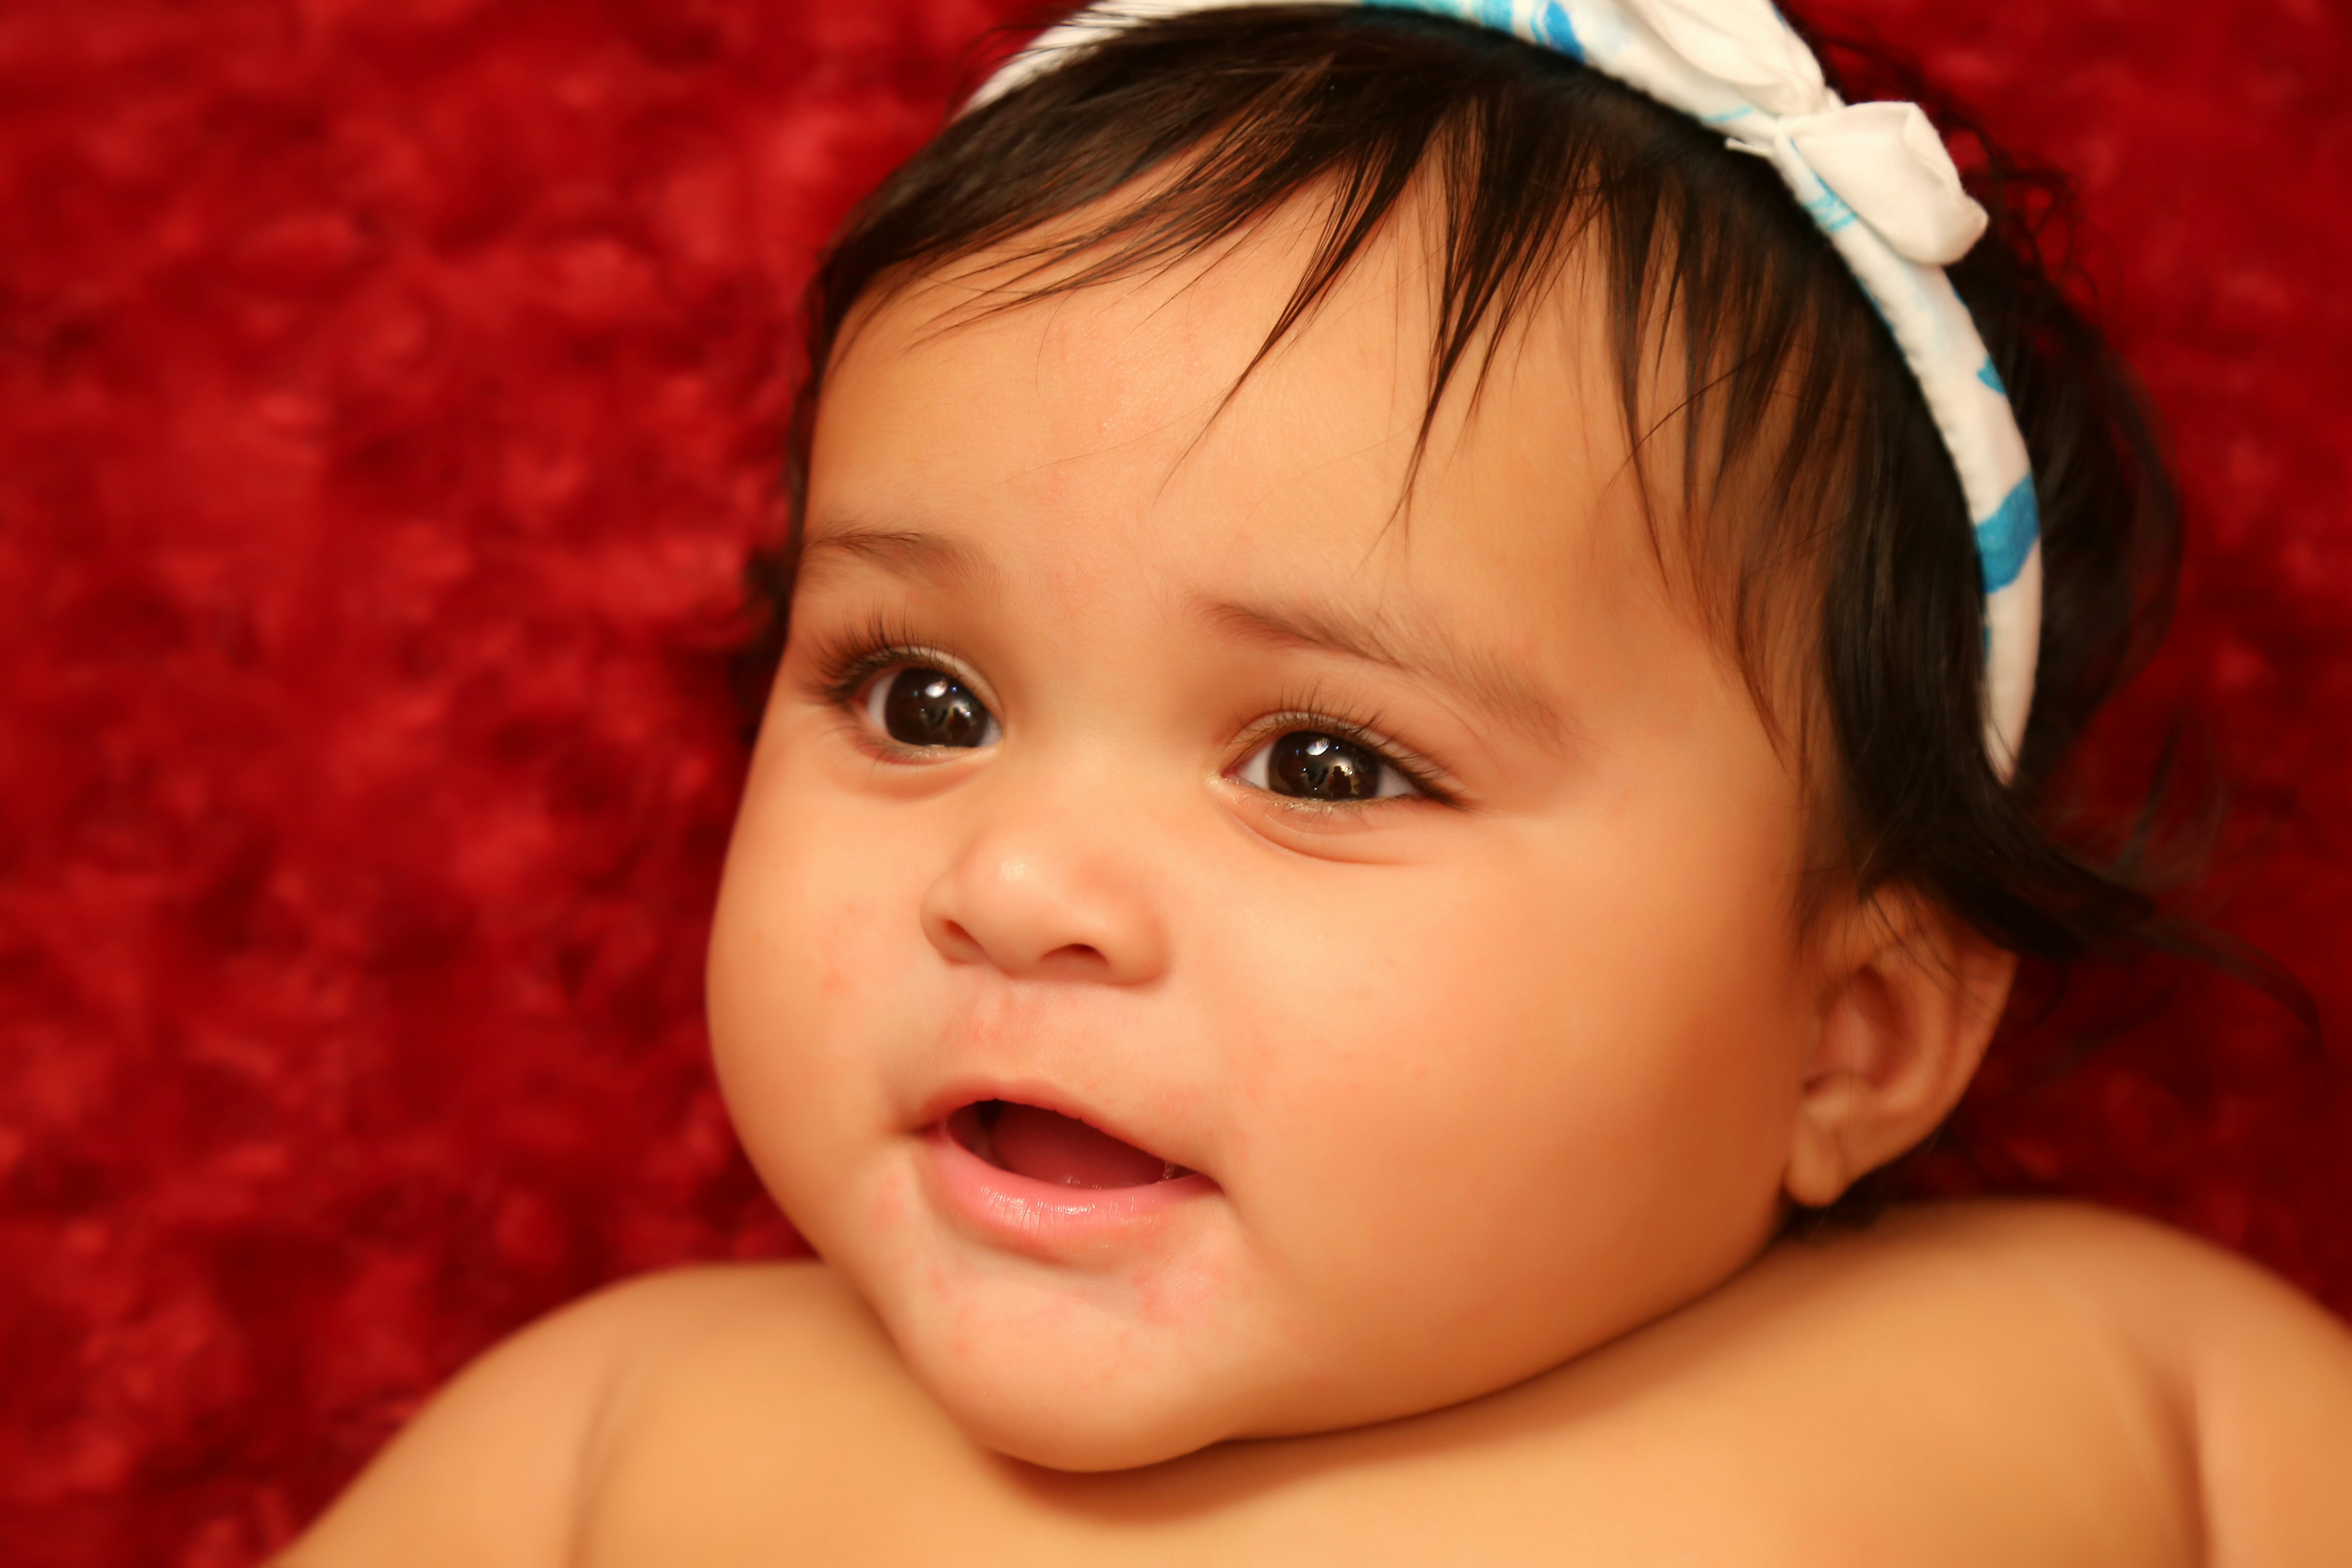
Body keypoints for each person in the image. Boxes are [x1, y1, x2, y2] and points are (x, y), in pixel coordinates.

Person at [281, 2, 2352, 1561]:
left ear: (1851, 1035)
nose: (1017, 880)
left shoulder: (2104, 1373)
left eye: (1328, 759)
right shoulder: (622, 1432)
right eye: (920, 700)